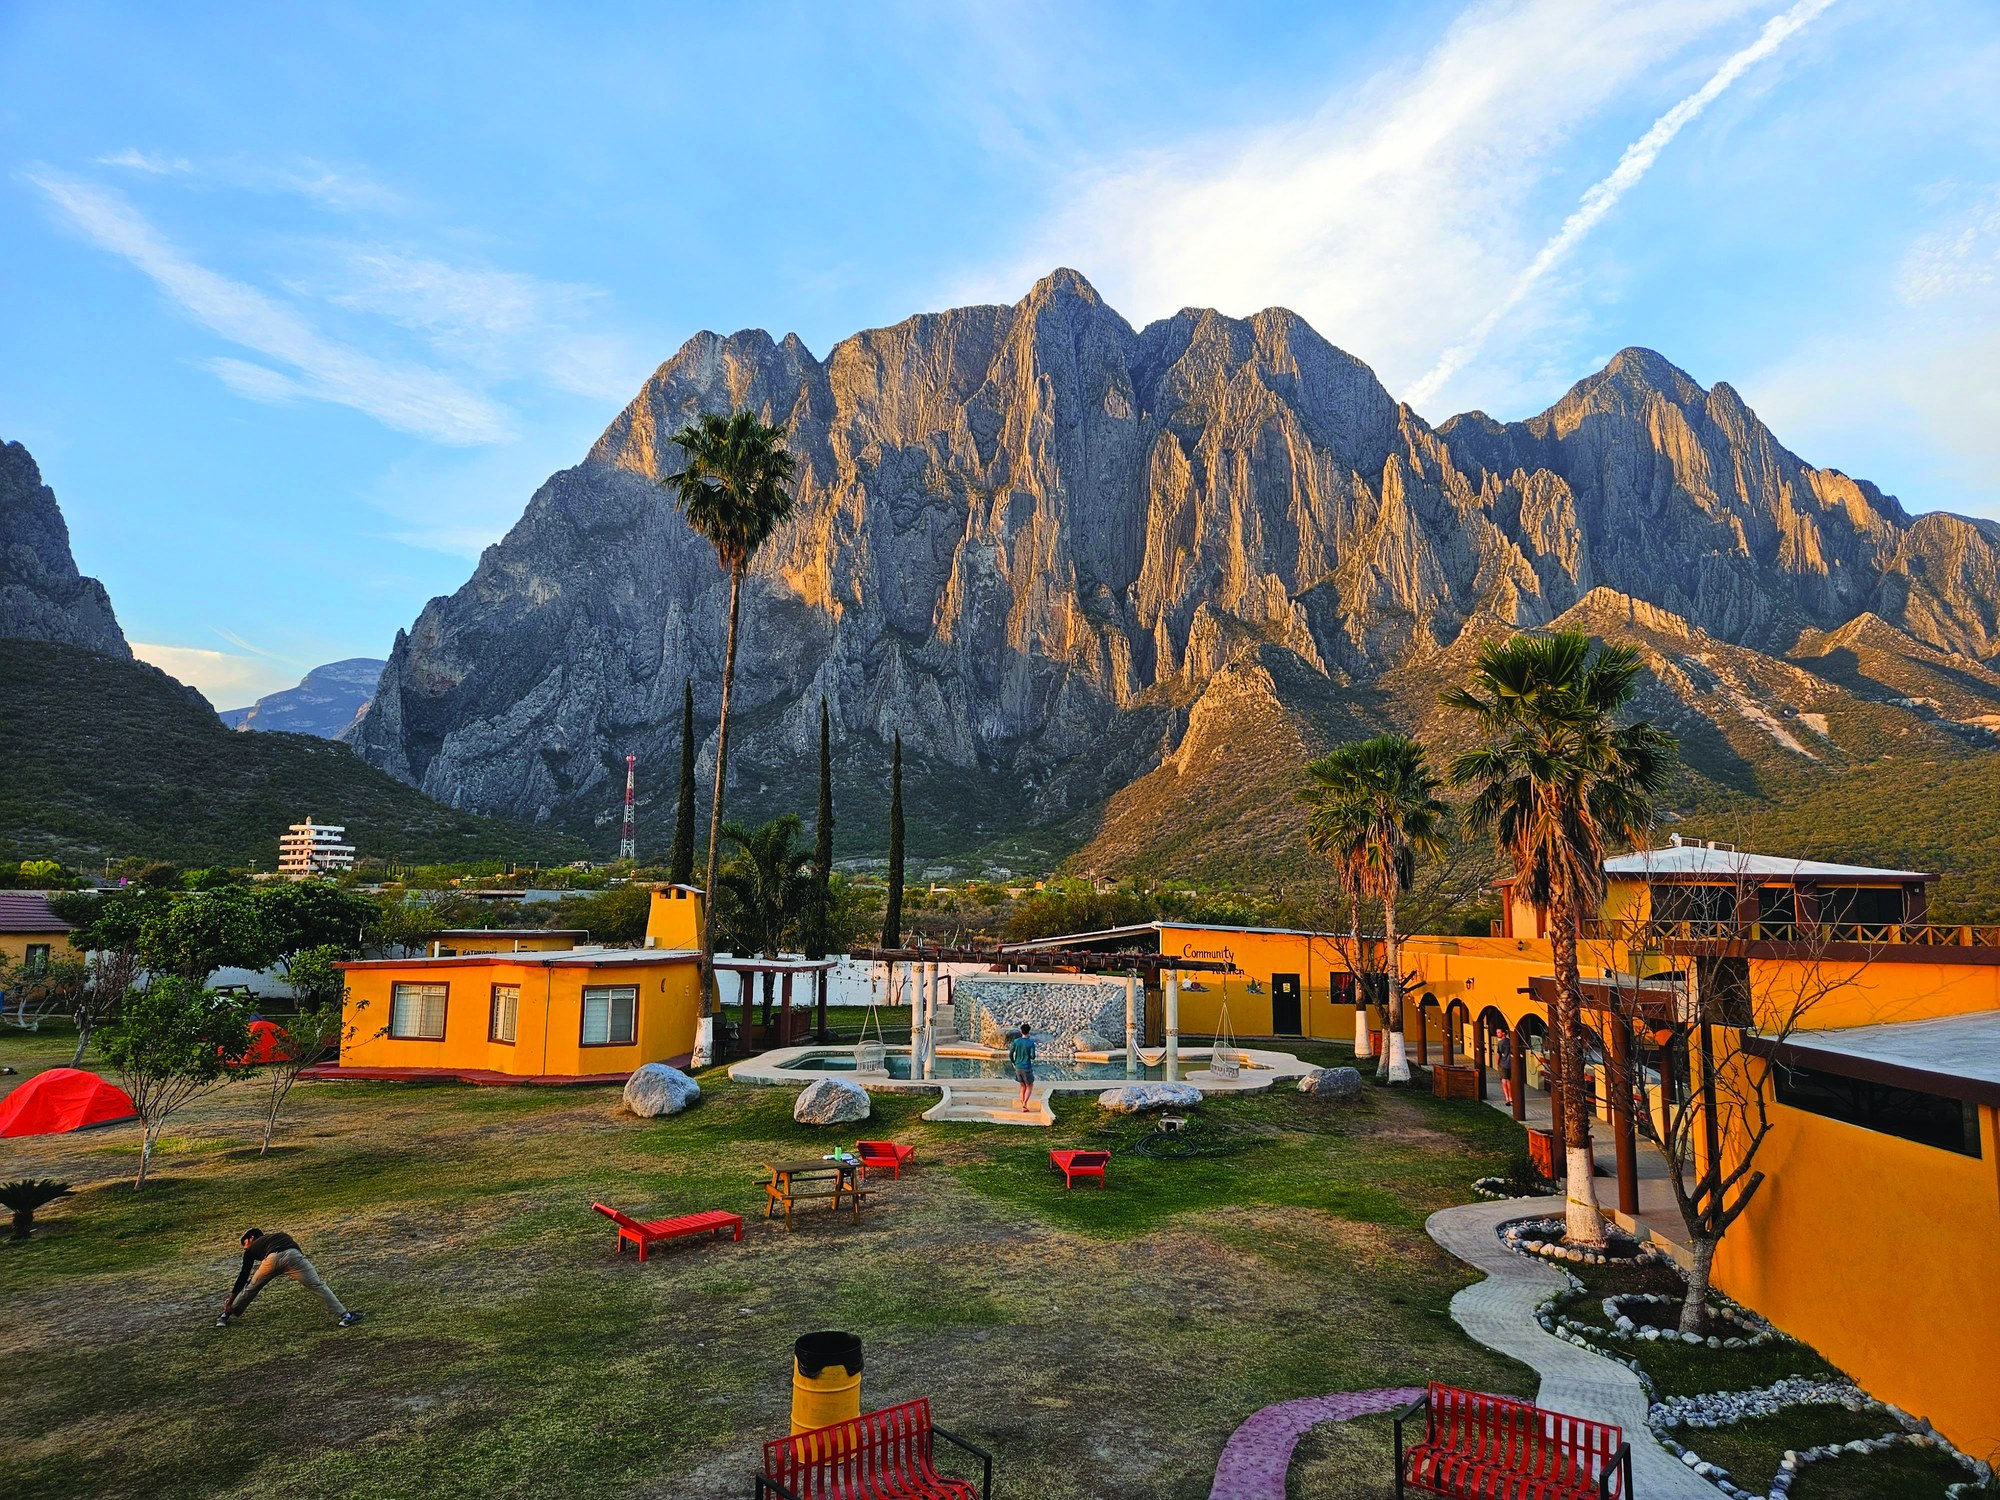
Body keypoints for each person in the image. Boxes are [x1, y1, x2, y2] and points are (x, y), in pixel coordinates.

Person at [218, 1227, 360, 1328]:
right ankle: (345, 1317)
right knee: (317, 1285)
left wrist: (231, 1298)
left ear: (251, 1238)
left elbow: (244, 1274)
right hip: (293, 1256)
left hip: (271, 1259)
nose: (245, 1248)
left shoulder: (253, 1246)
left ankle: (226, 1315)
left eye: (245, 1244)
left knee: (251, 1287)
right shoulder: (280, 1236)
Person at [1007, 1022, 1037, 1112]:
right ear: (1029, 1031)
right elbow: (1032, 1056)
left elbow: (1011, 1054)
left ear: (1021, 1031)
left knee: (1022, 1086)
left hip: (1018, 1067)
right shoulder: (1031, 1043)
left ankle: (1024, 1106)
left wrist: (1013, 1062)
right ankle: (1024, 1103)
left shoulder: (1016, 1041)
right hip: (1026, 1066)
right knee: (1029, 1085)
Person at [1496, 1029, 1516, 1108]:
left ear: (1503, 1033)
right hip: (1510, 1064)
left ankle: (1507, 1098)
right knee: (1509, 1081)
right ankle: (1511, 1097)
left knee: (1504, 1081)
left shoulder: (1500, 1043)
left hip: (1503, 1064)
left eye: (1498, 1032)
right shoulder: (1510, 1042)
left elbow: (1499, 1054)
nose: (1497, 1034)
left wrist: (1497, 1063)